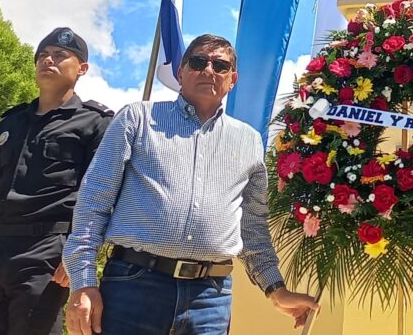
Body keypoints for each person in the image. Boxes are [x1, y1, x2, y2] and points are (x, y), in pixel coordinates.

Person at [62, 34, 319, 335]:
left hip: (210, 299)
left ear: (232, 79)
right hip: (134, 285)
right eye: (198, 62)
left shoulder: (249, 141)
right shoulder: (138, 119)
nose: (208, 70)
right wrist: (83, 283)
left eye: (220, 65)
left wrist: (275, 289)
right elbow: (94, 203)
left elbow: (253, 228)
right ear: (181, 72)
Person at [0, 27, 113, 335]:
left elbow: (100, 199)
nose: (48, 60)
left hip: (46, 254)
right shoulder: (10, 122)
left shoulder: (96, 124)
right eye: (43, 55)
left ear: (82, 69)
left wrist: (78, 259)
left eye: (60, 55)